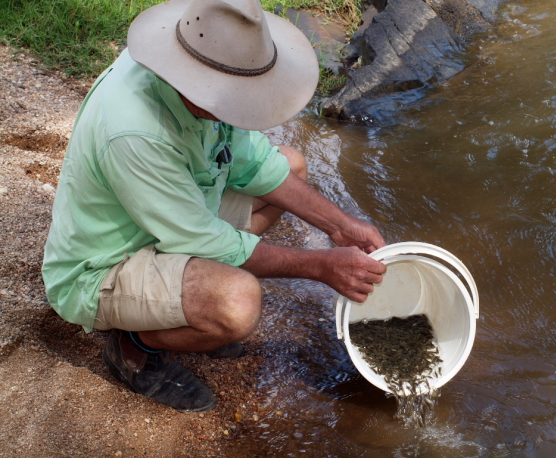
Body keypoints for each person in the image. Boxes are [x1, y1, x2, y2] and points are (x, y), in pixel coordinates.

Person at [42, 0, 386, 412]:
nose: (235, 107)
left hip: (168, 218)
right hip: (105, 264)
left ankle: (183, 301)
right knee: (238, 304)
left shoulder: (200, 71)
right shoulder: (134, 129)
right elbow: (203, 238)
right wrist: (320, 265)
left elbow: (257, 163)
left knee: (291, 165)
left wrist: (340, 225)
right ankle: (132, 345)